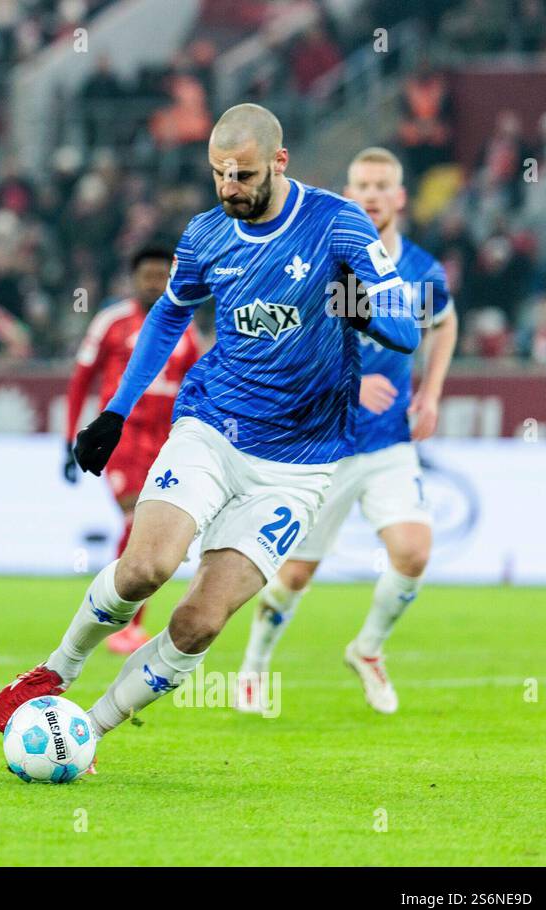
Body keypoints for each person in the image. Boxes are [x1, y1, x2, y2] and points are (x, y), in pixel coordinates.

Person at [0, 104, 419, 747]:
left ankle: (88, 733)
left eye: (242, 175)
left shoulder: (337, 223)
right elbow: (168, 317)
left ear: (279, 162)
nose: (229, 188)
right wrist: (115, 411)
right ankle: (55, 671)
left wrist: (360, 310)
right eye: (218, 174)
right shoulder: (206, 234)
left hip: (299, 463)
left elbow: (406, 327)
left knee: (200, 623)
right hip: (213, 425)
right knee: (146, 569)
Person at [237, 147, 457, 715]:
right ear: (348, 194)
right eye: (362, 185)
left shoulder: (420, 271)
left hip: (387, 444)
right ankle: (254, 667)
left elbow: (444, 321)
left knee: (412, 552)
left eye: (383, 185)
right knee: (294, 574)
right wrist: (348, 384)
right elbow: (281, 339)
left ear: (400, 197)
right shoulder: (322, 263)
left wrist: (430, 394)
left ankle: (368, 649)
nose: (373, 194)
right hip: (323, 443)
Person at [63, 245, 200, 652]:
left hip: (164, 441)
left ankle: (123, 619)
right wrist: (68, 439)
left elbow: (195, 386)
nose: (154, 283)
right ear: (134, 279)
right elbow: (80, 381)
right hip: (122, 438)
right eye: (147, 276)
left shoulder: (186, 330)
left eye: (162, 276)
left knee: (156, 531)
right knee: (136, 518)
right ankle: (123, 621)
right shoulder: (112, 322)